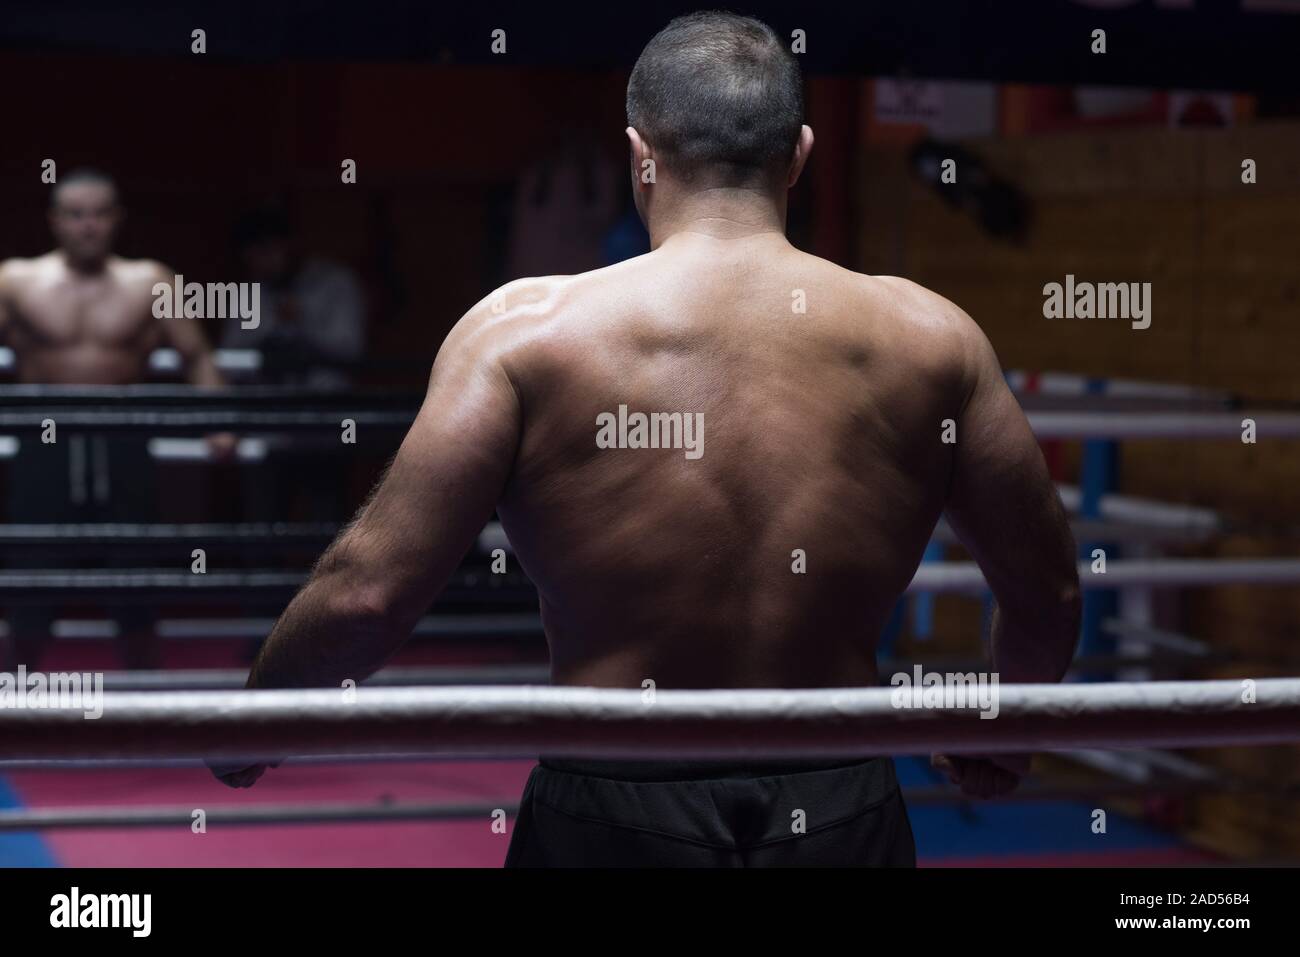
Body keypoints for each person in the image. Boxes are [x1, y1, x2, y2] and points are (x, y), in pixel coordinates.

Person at [211, 13, 1081, 867]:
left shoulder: (525, 333)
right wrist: (1009, 721)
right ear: (802, 154)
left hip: (612, 801)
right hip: (839, 804)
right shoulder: (933, 335)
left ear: (640, 155)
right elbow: (1046, 591)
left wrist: (262, 717)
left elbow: (369, 595)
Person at [0, 168, 230, 670]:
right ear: (55, 220)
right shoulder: (15, 279)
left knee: (136, 593)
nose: (88, 226)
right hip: (45, 441)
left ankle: (150, 722)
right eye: (76, 215)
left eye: (100, 214)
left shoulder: (150, 279)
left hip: (125, 439)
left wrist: (219, 422)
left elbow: (197, 356)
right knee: (30, 595)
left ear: (117, 219)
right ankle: (9, 721)